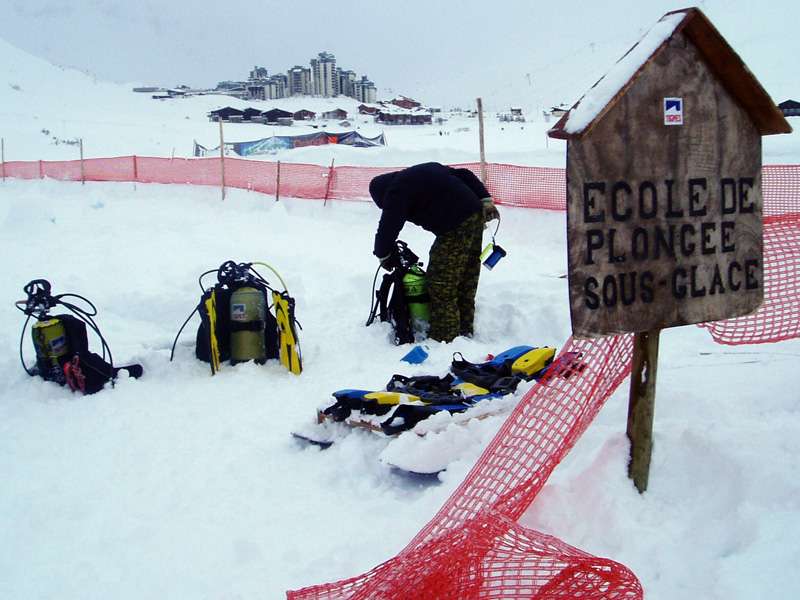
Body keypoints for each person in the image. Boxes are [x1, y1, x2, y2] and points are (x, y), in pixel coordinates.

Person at [369, 162, 500, 343]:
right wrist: (485, 199)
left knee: (440, 283)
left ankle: (444, 339)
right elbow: (464, 173)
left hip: (455, 225)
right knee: (464, 279)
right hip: (475, 216)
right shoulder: (422, 170)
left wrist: (383, 254)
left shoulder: (395, 190)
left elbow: (388, 225)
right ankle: (464, 331)